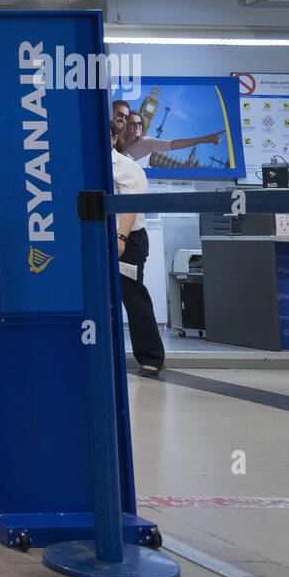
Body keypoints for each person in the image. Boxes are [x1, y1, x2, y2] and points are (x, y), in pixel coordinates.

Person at [111, 126, 165, 377]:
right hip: (96, 237)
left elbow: (129, 206)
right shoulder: (86, 165)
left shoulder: (126, 166)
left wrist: (121, 237)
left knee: (132, 295)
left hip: (129, 239)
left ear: (113, 138)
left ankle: (151, 357)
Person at [119, 109, 224, 166]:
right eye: (133, 124)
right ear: (126, 125)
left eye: (140, 123)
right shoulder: (118, 144)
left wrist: (204, 139)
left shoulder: (145, 142)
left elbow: (172, 144)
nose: (137, 127)